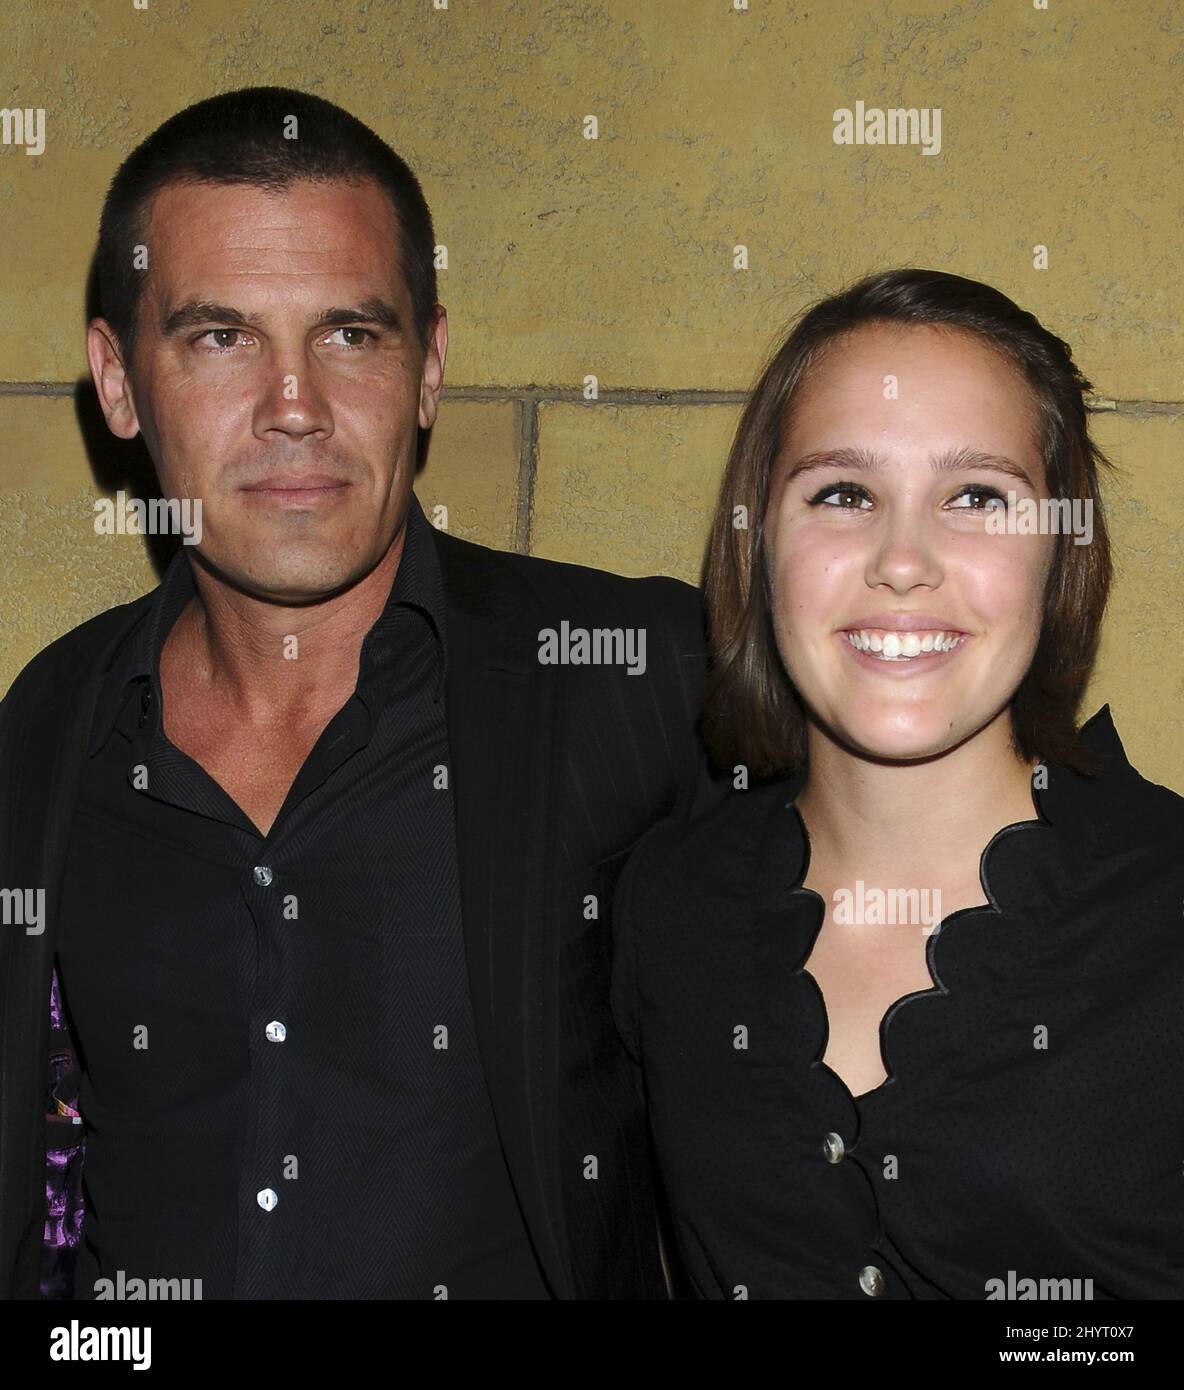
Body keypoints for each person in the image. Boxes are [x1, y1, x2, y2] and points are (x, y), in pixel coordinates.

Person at [0, 86, 722, 1301]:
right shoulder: (46, 728)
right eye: (219, 337)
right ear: (118, 382)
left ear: (429, 367)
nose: (294, 408)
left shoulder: (636, 675)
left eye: (350, 334)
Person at [611, 268, 1184, 1300]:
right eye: (842, 493)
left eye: (975, 495)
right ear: (761, 541)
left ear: (1057, 547)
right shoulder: (667, 903)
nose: (902, 559)